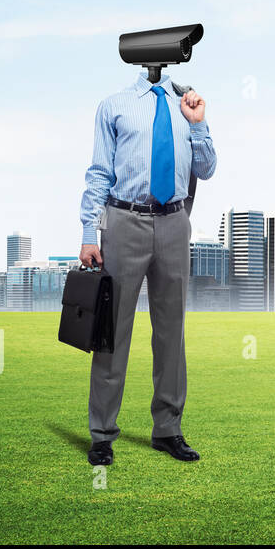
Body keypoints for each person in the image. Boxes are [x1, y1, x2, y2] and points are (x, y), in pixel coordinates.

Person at [78, 69, 216, 466]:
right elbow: (100, 173)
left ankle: (168, 430)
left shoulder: (186, 105)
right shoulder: (114, 106)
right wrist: (90, 231)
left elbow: (206, 169)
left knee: (171, 332)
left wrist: (199, 124)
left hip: (175, 222)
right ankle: (102, 434)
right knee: (112, 331)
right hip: (124, 222)